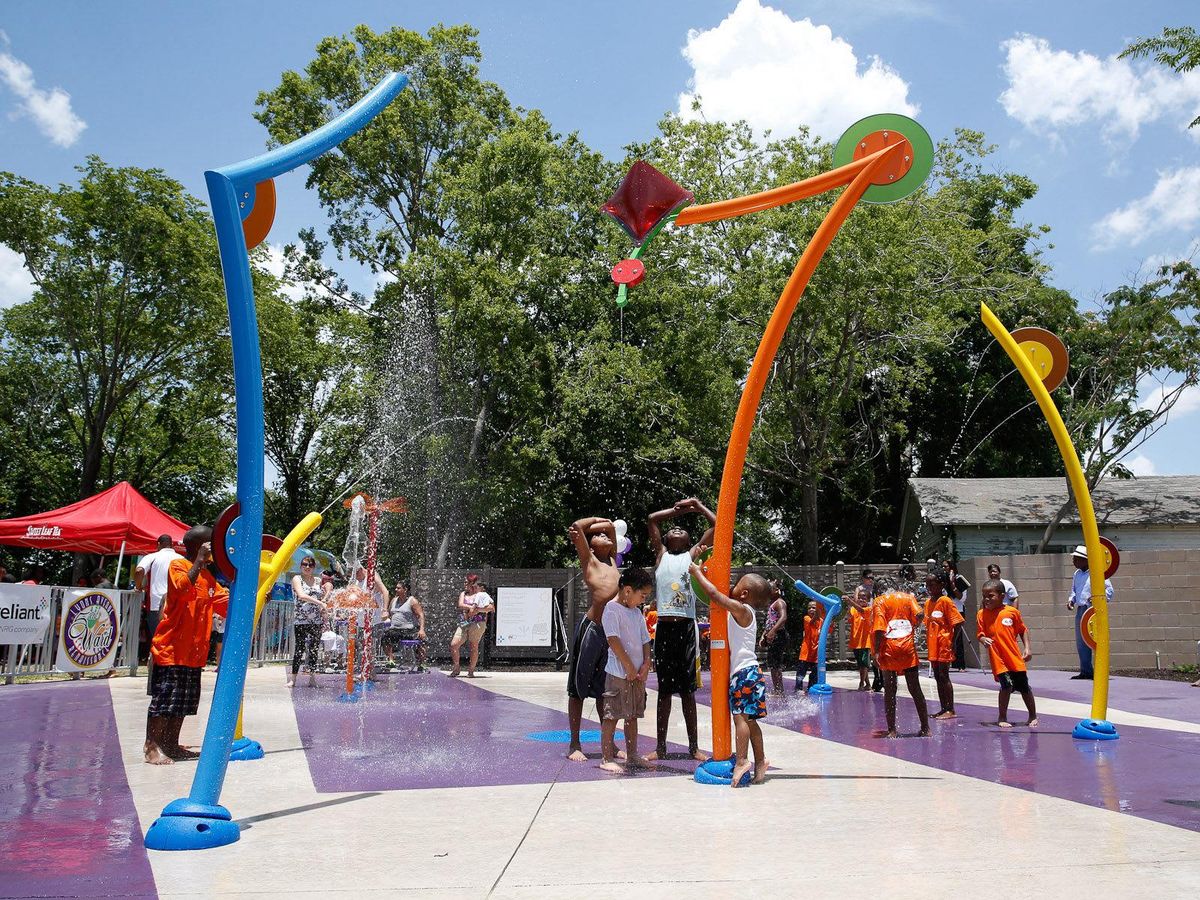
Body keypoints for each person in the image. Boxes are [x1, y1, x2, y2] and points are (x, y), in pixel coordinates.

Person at [144, 525, 228, 765]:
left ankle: (171, 744)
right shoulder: (178, 566)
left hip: (193, 653)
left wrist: (257, 594)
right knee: (163, 701)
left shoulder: (209, 578)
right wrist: (200, 561)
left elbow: (225, 603)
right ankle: (152, 746)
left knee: (183, 702)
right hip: (171, 649)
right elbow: (181, 588)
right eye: (211, 546)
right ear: (199, 547)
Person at [647, 497, 716, 762]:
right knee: (664, 691)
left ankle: (693, 747)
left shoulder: (692, 554)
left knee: (688, 692)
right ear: (664, 539)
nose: (676, 529)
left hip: (687, 629)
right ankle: (661, 747)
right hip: (664, 629)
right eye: (673, 529)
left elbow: (716, 524)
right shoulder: (661, 555)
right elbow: (653, 519)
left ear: (690, 542)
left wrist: (697, 506)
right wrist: (675, 511)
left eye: (682, 530)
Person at [691, 560, 772, 787]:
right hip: (752, 672)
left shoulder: (742, 610)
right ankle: (761, 761)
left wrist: (697, 573)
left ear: (743, 594)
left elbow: (716, 595)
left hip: (743, 673)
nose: (732, 587)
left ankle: (742, 760)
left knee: (740, 719)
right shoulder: (748, 612)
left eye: (735, 585)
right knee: (751, 721)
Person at [566, 516, 621, 761]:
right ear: (590, 545)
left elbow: (610, 527)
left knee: (603, 691)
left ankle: (608, 742)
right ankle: (575, 744)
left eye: (608, 536)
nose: (606, 535)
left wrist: (605, 525)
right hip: (591, 629)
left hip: (609, 634)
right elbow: (578, 527)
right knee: (577, 689)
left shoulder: (613, 560)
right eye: (599, 536)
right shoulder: (589, 560)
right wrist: (598, 520)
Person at [598, 567, 655, 773]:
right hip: (618, 674)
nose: (643, 600)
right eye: (643, 595)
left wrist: (646, 663)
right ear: (628, 590)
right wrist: (629, 666)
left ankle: (632, 756)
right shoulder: (611, 610)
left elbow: (645, 640)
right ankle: (606, 758)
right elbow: (613, 640)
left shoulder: (637, 613)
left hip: (637, 674)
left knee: (632, 715)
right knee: (612, 715)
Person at [978, 578, 1037, 727]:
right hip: (998, 659)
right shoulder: (981, 614)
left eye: (990, 596)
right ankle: (1002, 717)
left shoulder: (1012, 612)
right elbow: (980, 633)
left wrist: (1027, 648)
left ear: (1002, 596)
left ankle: (1032, 715)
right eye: (984, 596)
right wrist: (983, 639)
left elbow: (1023, 630)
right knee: (1006, 686)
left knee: (1024, 687)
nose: (986, 599)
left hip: (1014, 658)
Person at [873, 584, 930, 738]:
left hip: (889, 649)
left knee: (890, 691)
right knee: (915, 689)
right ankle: (925, 728)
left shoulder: (879, 601)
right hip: (907, 648)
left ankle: (892, 730)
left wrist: (876, 651)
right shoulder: (908, 597)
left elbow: (879, 629)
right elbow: (920, 615)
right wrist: (915, 627)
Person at [135, 535, 182, 677]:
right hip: (176, 606)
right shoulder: (181, 559)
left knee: (158, 642)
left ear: (159, 544)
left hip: (156, 605)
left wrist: (139, 586)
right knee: (174, 642)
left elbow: (139, 571)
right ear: (172, 544)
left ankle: (156, 674)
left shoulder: (153, 556)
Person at [1065, 545, 1113, 681]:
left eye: (1076, 559)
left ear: (1085, 560)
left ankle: (1100, 671)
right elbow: (1074, 590)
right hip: (1081, 610)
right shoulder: (1077, 574)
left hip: (1093, 610)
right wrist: (1071, 600)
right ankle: (1086, 671)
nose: (1074, 561)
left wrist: (1098, 599)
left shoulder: (1097, 572)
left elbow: (1109, 590)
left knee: (1097, 640)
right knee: (1081, 641)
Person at [924, 573, 965, 720]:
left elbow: (959, 622)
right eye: (927, 585)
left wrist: (953, 642)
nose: (929, 588)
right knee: (937, 676)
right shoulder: (929, 603)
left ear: (941, 585)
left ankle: (951, 709)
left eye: (932, 585)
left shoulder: (945, 601)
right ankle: (943, 708)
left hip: (944, 643)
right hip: (933, 645)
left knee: (944, 675)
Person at [289, 554, 330, 687]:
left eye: (310, 565)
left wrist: (325, 598)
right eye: (305, 564)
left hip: (316, 620)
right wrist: (320, 602)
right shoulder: (297, 578)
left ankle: (312, 678)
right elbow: (301, 595)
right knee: (299, 649)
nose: (307, 567)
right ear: (301, 566)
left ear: (314, 568)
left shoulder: (318, 581)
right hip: (301, 619)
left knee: (314, 649)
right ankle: (293, 679)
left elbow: (325, 592)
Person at [449, 574, 494, 677]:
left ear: (472, 583)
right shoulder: (463, 594)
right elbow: (460, 605)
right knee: (454, 644)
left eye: (466, 582)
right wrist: (472, 608)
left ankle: (471, 671)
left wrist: (478, 609)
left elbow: (491, 607)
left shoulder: (482, 595)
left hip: (478, 623)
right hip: (464, 623)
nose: (465, 584)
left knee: (473, 646)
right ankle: (456, 667)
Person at [386, 580, 427, 671]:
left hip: (409, 630)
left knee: (421, 639)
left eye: (398, 588)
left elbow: (421, 615)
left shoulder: (412, 601)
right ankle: (391, 661)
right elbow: (389, 613)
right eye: (396, 588)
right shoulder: (393, 600)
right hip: (395, 630)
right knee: (385, 637)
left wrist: (422, 629)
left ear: (405, 589)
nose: (396, 589)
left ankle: (422, 663)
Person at [759, 579, 788, 694]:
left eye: (769, 589)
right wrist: (764, 635)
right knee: (772, 663)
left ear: (776, 590)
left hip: (779, 635)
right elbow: (769, 622)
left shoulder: (780, 603)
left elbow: (783, 617)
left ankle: (779, 690)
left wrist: (773, 631)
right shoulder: (772, 603)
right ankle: (777, 689)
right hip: (773, 635)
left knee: (775, 664)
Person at [942, 560, 971, 670]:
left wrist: (952, 584)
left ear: (951, 567)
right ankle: (948, 661)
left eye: (946, 566)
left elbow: (961, 598)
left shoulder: (960, 579)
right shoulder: (943, 580)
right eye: (943, 567)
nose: (944, 568)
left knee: (958, 638)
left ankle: (960, 664)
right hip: (946, 611)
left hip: (958, 610)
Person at [847, 586, 873, 691]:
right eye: (860, 597)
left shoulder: (868, 609)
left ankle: (861, 683)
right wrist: (846, 605)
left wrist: (849, 601)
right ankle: (868, 684)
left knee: (864, 664)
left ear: (868, 600)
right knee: (861, 665)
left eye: (864, 598)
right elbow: (850, 615)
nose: (862, 600)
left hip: (865, 642)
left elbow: (861, 610)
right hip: (855, 642)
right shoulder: (853, 609)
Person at [793, 600, 822, 692]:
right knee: (801, 671)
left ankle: (811, 687)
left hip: (816, 651)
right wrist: (818, 613)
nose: (811, 610)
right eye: (809, 608)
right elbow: (812, 622)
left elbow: (828, 629)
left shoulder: (821, 621)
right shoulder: (806, 618)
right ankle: (798, 688)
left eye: (813, 607)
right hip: (806, 651)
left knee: (815, 672)